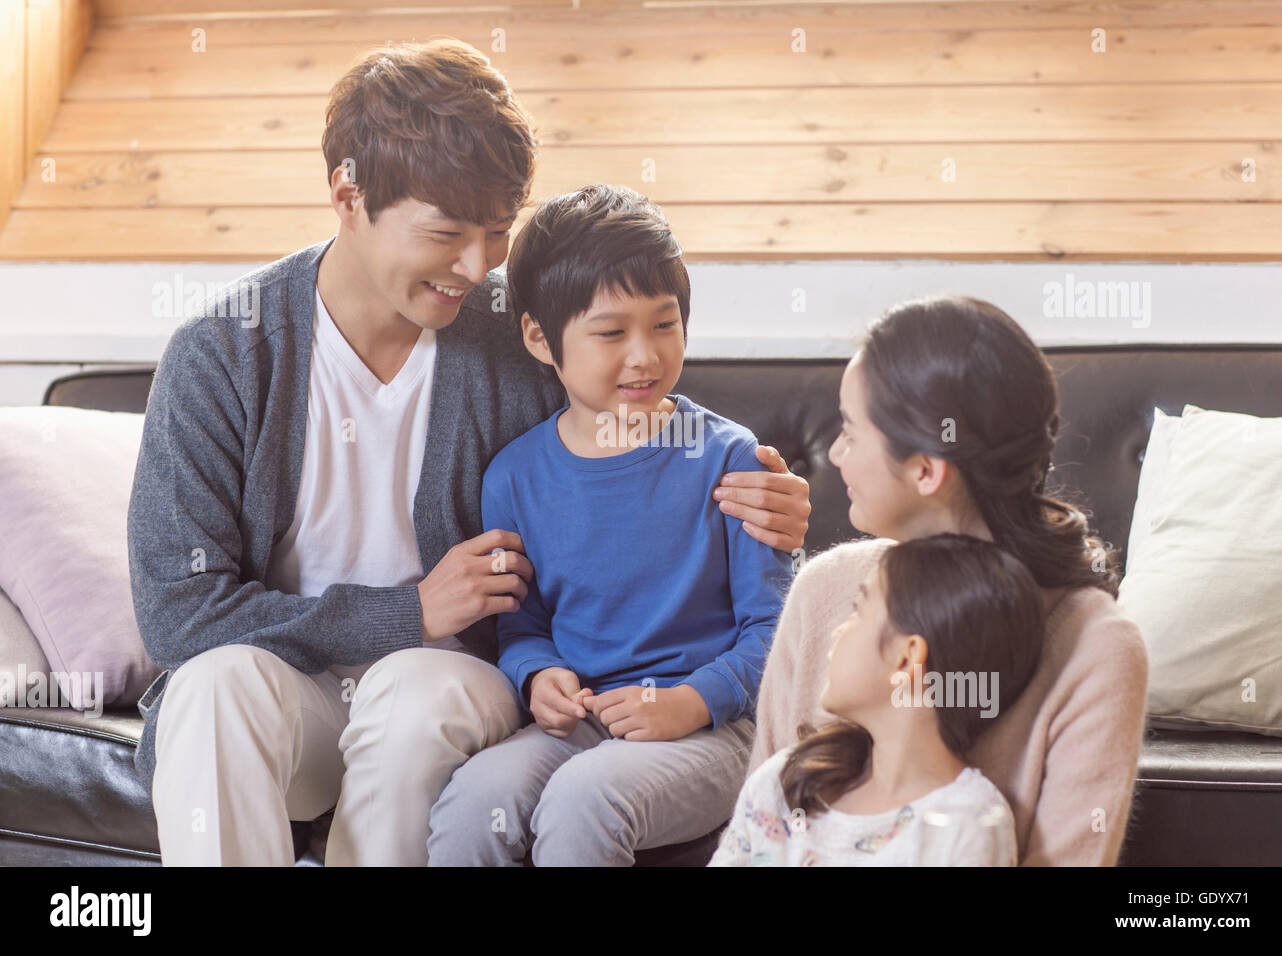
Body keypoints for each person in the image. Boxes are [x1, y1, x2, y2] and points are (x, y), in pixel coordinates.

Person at [126, 39, 810, 867]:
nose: (477, 267)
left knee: (416, 694)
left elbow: (634, 412)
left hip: (454, 691)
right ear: (349, 193)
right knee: (210, 687)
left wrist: (756, 492)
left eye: (496, 233)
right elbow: (179, 615)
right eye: (448, 234)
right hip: (290, 702)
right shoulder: (225, 354)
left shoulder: (509, 334)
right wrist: (407, 611)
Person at [424, 184, 794, 866]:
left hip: (714, 729)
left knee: (583, 802)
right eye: (611, 332)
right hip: (584, 724)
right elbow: (523, 625)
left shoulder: (730, 459)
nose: (645, 356)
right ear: (540, 337)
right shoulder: (514, 475)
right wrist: (537, 678)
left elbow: (776, 633)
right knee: (474, 802)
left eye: (664, 323)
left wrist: (688, 702)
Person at [748, 293, 1149, 866]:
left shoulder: (1095, 645)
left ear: (925, 469)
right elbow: (762, 828)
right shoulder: (824, 590)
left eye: (851, 431)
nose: (835, 452)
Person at [710, 534, 1044, 866]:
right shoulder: (785, 780)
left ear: (906, 657)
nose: (838, 631)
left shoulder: (968, 826)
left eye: (857, 611)